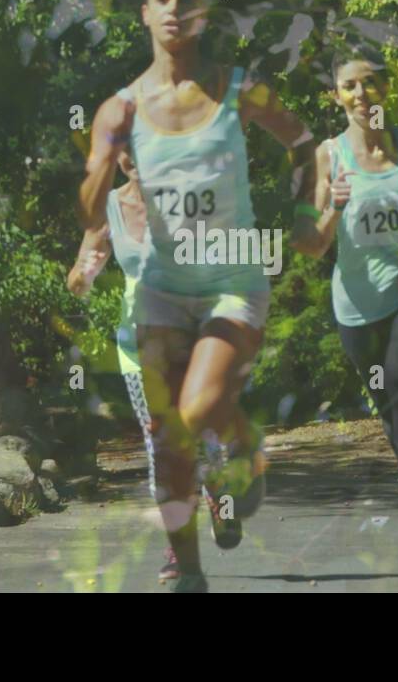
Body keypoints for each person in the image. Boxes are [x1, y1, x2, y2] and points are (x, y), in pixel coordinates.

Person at [78, 0, 317, 593]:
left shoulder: (241, 91)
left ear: (204, 14)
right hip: (158, 288)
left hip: (230, 283)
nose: (176, 10)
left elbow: (302, 141)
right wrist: (101, 167)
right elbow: (89, 209)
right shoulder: (119, 109)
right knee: (166, 436)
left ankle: (245, 448)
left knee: (199, 406)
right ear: (146, 14)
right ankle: (187, 569)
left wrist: (303, 211)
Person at [293, 52, 398, 568]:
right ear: (337, 96)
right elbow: (308, 245)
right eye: (350, 86)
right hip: (356, 308)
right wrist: (333, 207)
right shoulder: (327, 156)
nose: (361, 94)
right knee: (392, 407)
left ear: (386, 90)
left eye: (371, 84)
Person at [66, 152, 242, 585]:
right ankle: (180, 550)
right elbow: (78, 277)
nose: (132, 155)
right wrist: (85, 271)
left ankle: (220, 493)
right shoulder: (108, 208)